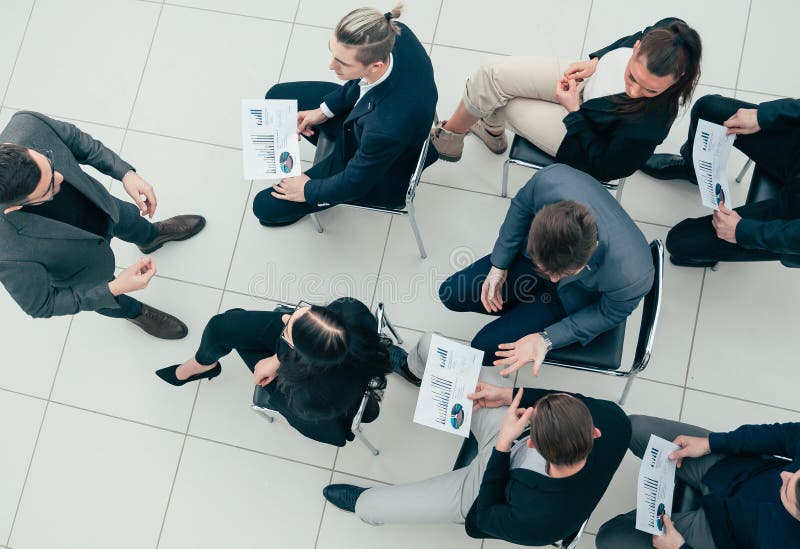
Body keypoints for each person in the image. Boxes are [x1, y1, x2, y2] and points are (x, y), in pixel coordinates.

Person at [321, 333, 631, 546]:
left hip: (487, 486)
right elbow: (567, 399)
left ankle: (365, 505)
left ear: (534, 443)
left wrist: (502, 447)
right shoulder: (614, 422)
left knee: (371, 507)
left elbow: (480, 520)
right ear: (593, 429)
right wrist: (506, 396)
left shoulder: (539, 519)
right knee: (431, 346)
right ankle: (413, 371)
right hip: (511, 435)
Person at [0, 111, 205, 339]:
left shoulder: (27, 124)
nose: (59, 177)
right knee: (111, 301)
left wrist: (125, 173)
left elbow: (78, 142)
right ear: (16, 206)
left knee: (135, 223)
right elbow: (42, 305)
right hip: (82, 269)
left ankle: (152, 237)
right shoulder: (6, 252)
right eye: (49, 187)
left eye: (49, 164)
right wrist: (115, 288)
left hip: (105, 208)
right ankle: (135, 312)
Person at [438, 164, 653, 376]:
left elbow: (607, 314)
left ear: (592, 249)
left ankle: (528, 312)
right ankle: (523, 306)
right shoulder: (549, 181)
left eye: (562, 273)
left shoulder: (632, 277)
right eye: (546, 269)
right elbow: (521, 208)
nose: (552, 278)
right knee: (453, 292)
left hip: (573, 300)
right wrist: (499, 265)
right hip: (529, 263)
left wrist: (547, 338)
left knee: (484, 349)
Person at [429, 17, 701, 182]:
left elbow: (606, 168)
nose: (634, 91)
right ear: (638, 48)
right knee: (491, 74)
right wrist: (596, 61)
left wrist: (574, 112)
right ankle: (451, 138)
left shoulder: (650, 126)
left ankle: (482, 131)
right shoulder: (668, 32)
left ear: (678, 79)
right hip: (585, 85)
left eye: (651, 91)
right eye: (632, 76)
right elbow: (633, 36)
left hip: (581, 135)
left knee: (504, 102)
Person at [253, 3, 437, 226]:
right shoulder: (394, 34)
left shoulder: (386, 128)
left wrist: (308, 190)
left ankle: (306, 202)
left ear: (375, 65)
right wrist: (323, 112)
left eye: (342, 62)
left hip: (370, 158)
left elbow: (355, 182)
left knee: (263, 207)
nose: (331, 65)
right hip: (366, 117)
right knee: (278, 97)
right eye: (332, 53)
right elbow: (361, 83)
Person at [156, 297, 395, 446]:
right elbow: (294, 332)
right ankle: (203, 363)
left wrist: (277, 360)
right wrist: (278, 356)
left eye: (289, 326)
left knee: (231, 323)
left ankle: (200, 366)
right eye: (303, 311)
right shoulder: (350, 311)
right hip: (300, 358)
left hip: (304, 391)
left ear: (304, 355)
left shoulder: (311, 396)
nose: (284, 316)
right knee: (224, 324)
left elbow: (288, 397)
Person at [640, 94, 800, 267]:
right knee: (708, 109)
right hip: (795, 153)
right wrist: (763, 115)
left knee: (679, 241)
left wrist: (743, 232)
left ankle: (705, 255)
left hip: (791, 222)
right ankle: (692, 169)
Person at [596, 415, 800, 549]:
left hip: (722, 537)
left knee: (609, 538)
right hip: (734, 470)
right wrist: (711, 443)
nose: (784, 474)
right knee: (632, 427)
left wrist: (679, 548)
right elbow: (784, 435)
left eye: (788, 489)